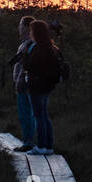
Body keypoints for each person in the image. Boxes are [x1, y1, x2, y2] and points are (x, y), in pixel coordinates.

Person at [22, 19, 62, 156]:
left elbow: (29, 66)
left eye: (32, 31)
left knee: (38, 116)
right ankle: (48, 146)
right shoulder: (51, 47)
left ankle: (41, 146)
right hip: (47, 86)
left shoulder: (38, 48)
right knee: (44, 115)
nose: (30, 33)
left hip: (37, 87)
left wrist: (25, 57)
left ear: (36, 33)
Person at [9, 16, 37, 152]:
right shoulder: (32, 43)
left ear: (26, 27)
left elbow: (24, 66)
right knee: (32, 114)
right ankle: (32, 141)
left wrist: (19, 82)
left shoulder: (27, 44)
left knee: (26, 114)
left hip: (24, 85)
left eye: (20, 25)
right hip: (29, 84)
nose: (19, 28)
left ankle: (28, 142)